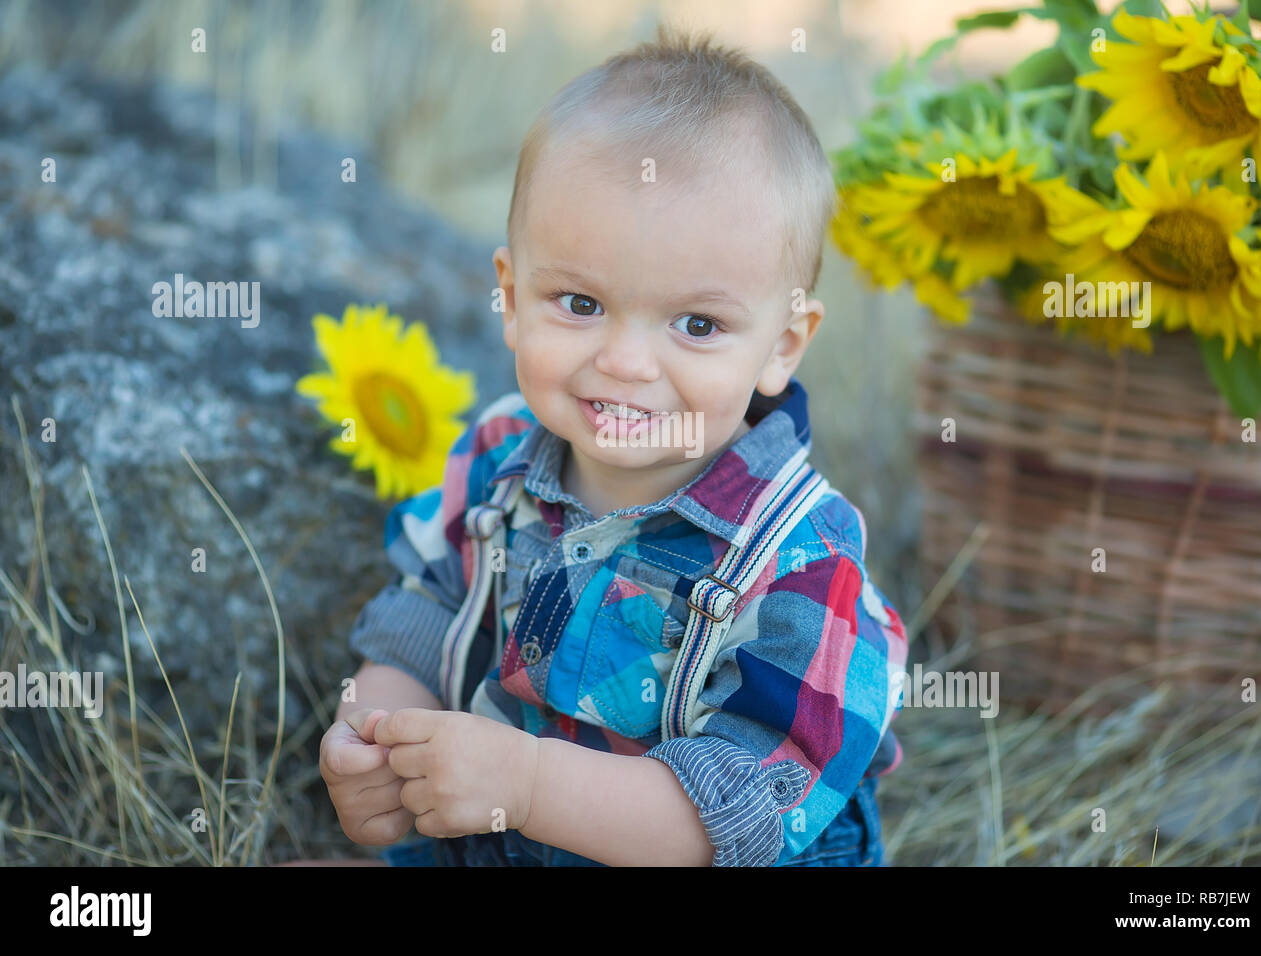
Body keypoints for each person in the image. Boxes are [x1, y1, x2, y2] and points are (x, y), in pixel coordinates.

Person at [319, 22, 908, 867]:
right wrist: (372, 731)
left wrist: (525, 783)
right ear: (512, 296)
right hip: (511, 826)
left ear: (783, 344)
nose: (626, 364)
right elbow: (432, 611)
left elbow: (735, 819)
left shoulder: (802, 560)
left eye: (697, 324)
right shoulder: (497, 457)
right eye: (581, 304)